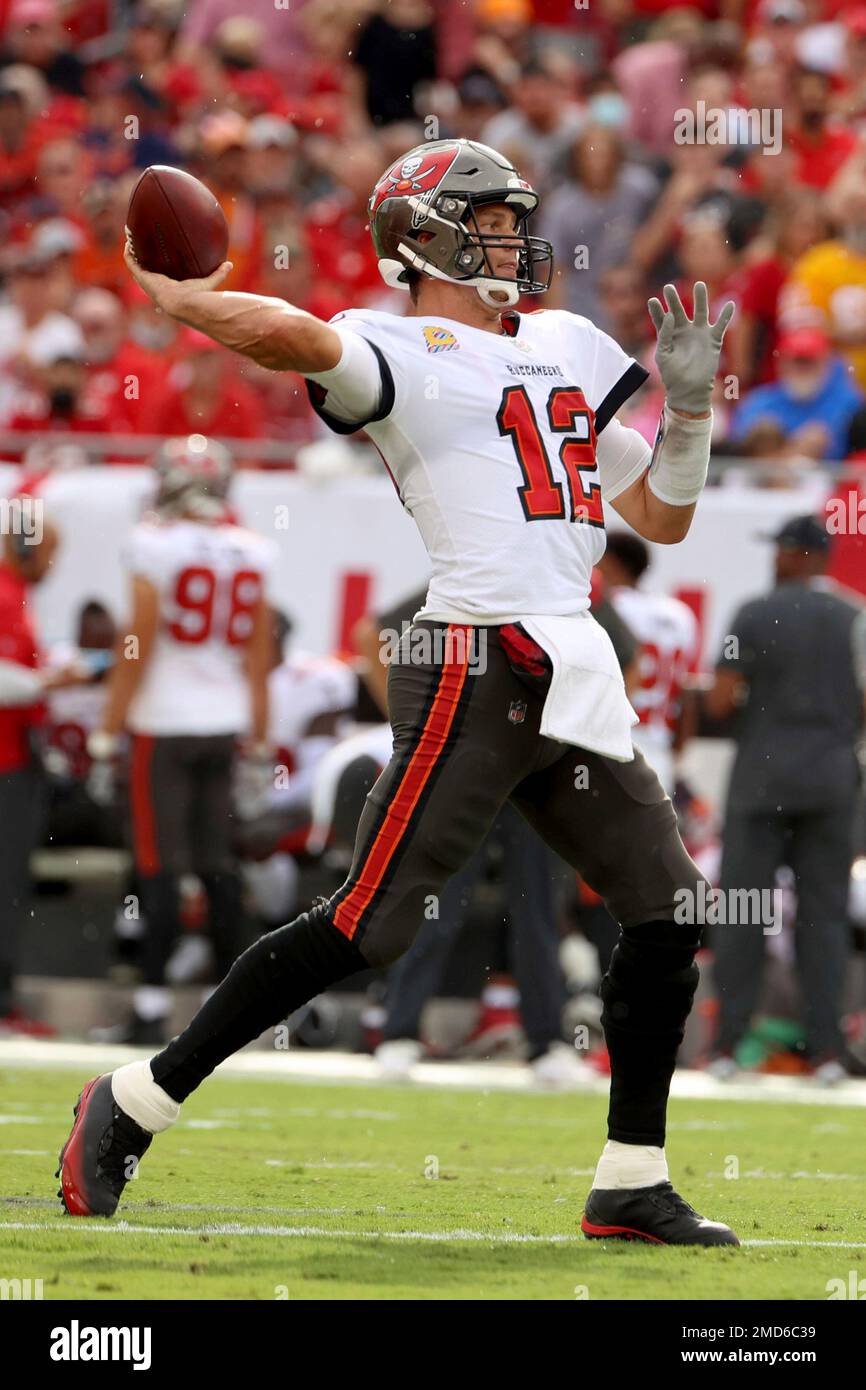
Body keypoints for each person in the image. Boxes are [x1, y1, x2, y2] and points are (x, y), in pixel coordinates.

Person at [59, 138, 738, 1247]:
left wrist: (693, 416)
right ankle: (133, 1101)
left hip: (570, 663)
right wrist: (186, 298)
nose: (512, 238)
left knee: (670, 910)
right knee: (367, 925)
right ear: (419, 237)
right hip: (473, 660)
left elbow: (658, 517)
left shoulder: (564, 343)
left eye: (513, 217)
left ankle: (629, 1175)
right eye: (486, 217)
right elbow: (288, 333)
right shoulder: (396, 347)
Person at [82, 436, 277, 1044]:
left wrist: (106, 731)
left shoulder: (152, 544)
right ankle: (237, 1010)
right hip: (223, 725)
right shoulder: (252, 550)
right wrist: (263, 740)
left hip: (163, 727)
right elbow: (258, 655)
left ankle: (149, 1007)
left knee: (158, 867)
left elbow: (134, 646)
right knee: (218, 864)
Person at [705, 515, 866, 1086]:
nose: (774, 559)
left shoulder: (754, 611)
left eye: (780, 550)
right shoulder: (854, 616)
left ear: (801, 555)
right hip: (831, 781)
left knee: (745, 912)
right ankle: (825, 1053)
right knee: (823, 919)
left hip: (761, 781)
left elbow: (720, 702)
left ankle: (728, 1046)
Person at [598, 532, 700, 794]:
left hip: (607, 743)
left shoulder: (607, 606)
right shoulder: (679, 615)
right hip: (657, 751)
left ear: (610, 563)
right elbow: (686, 692)